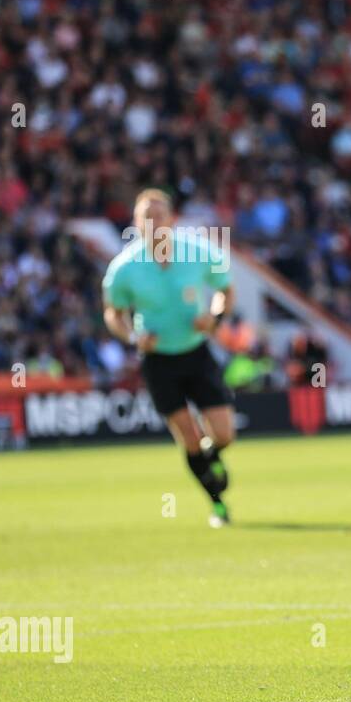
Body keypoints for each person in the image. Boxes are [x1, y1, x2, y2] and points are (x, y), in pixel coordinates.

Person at [102, 189, 236, 526]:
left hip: (195, 351)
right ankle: (217, 505)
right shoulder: (124, 268)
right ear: (136, 223)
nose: (153, 221)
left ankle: (212, 456)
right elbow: (113, 313)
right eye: (146, 216)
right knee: (189, 437)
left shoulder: (199, 251)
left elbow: (225, 289)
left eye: (159, 215)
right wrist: (133, 336)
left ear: (171, 219)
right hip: (158, 360)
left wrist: (215, 319)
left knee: (224, 433)